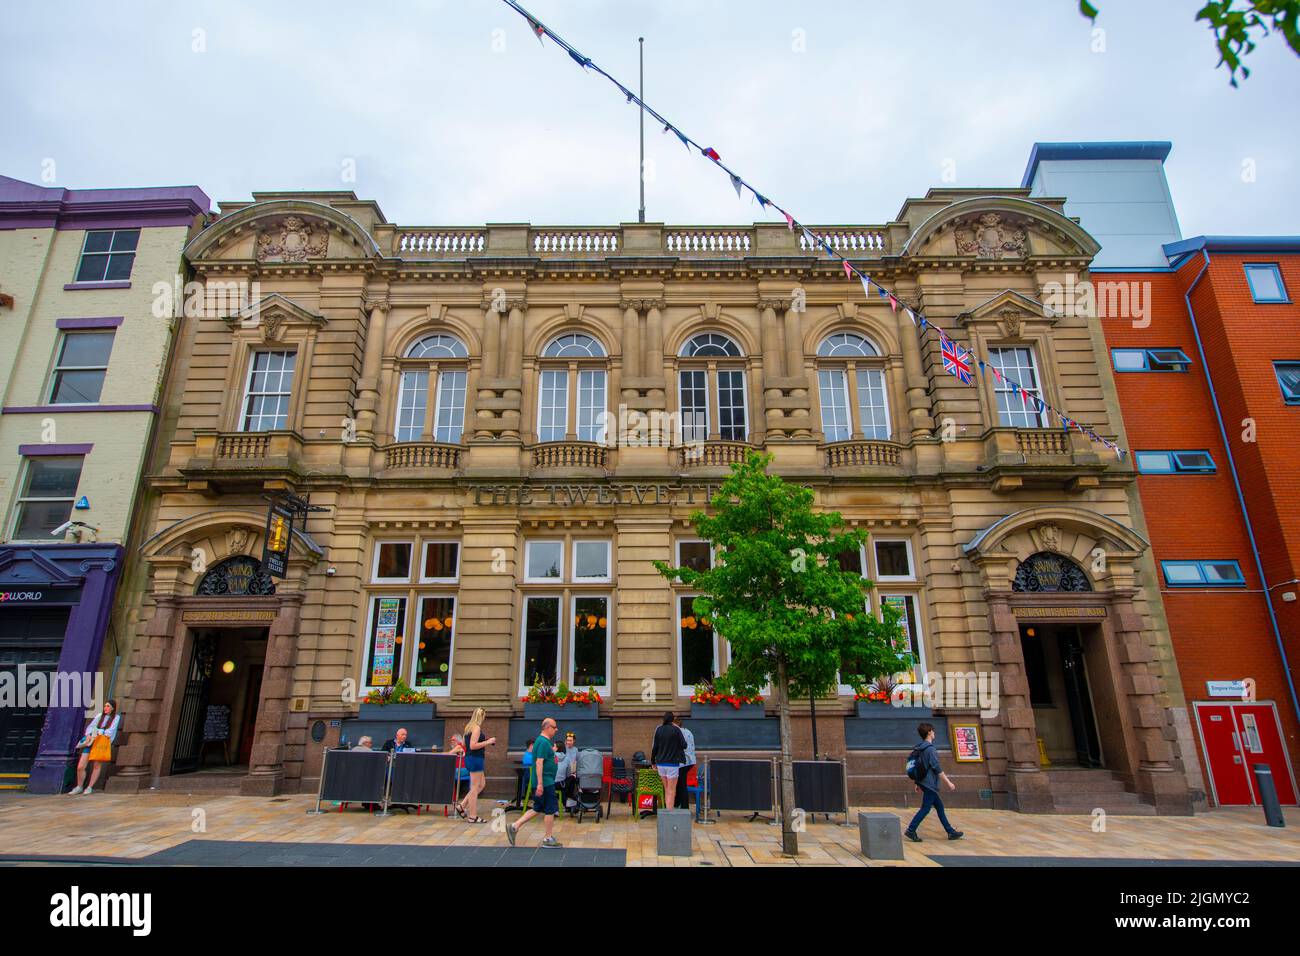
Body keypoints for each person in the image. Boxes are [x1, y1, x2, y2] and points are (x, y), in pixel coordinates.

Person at [506, 717, 561, 849]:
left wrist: (552, 752)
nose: (556, 729)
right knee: (550, 809)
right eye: (554, 727)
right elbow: (539, 762)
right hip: (546, 782)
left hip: (545, 781)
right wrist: (541, 784)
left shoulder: (545, 742)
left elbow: (544, 757)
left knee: (538, 807)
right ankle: (547, 838)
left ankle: (514, 826)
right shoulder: (542, 742)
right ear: (547, 728)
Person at [904, 722, 964, 843]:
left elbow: (920, 766)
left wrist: (917, 782)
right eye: (933, 731)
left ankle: (950, 831)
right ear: (929, 733)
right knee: (925, 808)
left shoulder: (920, 747)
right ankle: (911, 829)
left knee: (939, 807)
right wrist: (949, 783)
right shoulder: (930, 749)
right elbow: (937, 769)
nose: (934, 733)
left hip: (924, 782)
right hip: (930, 784)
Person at [69, 699, 120, 795]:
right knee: (80, 766)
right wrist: (89, 734)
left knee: (96, 766)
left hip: (101, 743)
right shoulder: (99, 716)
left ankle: (89, 787)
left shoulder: (116, 718)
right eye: (105, 706)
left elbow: (110, 732)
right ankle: (79, 786)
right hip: (91, 741)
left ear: (113, 708)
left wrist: (98, 731)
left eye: (108, 706)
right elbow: (90, 727)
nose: (106, 708)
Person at [456, 708, 496, 823]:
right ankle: (473, 816)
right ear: (482, 716)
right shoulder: (477, 728)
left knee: (481, 784)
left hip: (471, 758)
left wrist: (484, 740)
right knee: (474, 788)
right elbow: (473, 746)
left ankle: (462, 805)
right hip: (475, 758)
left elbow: (464, 744)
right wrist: (488, 742)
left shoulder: (468, 727)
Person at [651, 711, 688, 811]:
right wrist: (678, 729)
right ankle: (669, 813)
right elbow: (684, 745)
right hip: (672, 764)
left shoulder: (659, 730)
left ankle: (668, 810)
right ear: (672, 719)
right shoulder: (676, 730)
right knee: (671, 790)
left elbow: (655, 748)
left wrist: (653, 762)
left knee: (667, 789)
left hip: (661, 764)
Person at [673, 716, 696, 810]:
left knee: (681, 785)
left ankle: (684, 807)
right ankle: (678, 804)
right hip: (691, 761)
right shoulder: (688, 731)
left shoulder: (678, 732)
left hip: (683, 762)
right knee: (680, 783)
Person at [556, 731, 580, 813]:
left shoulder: (576, 750)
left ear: (574, 741)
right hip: (563, 773)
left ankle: (569, 800)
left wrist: (575, 771)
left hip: (571, 771)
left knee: (573, 778)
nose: (569, 742)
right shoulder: (562, 749)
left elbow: (577, 761)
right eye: (568, 740)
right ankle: (569, 799)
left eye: (571, 740)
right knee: (570, 780)